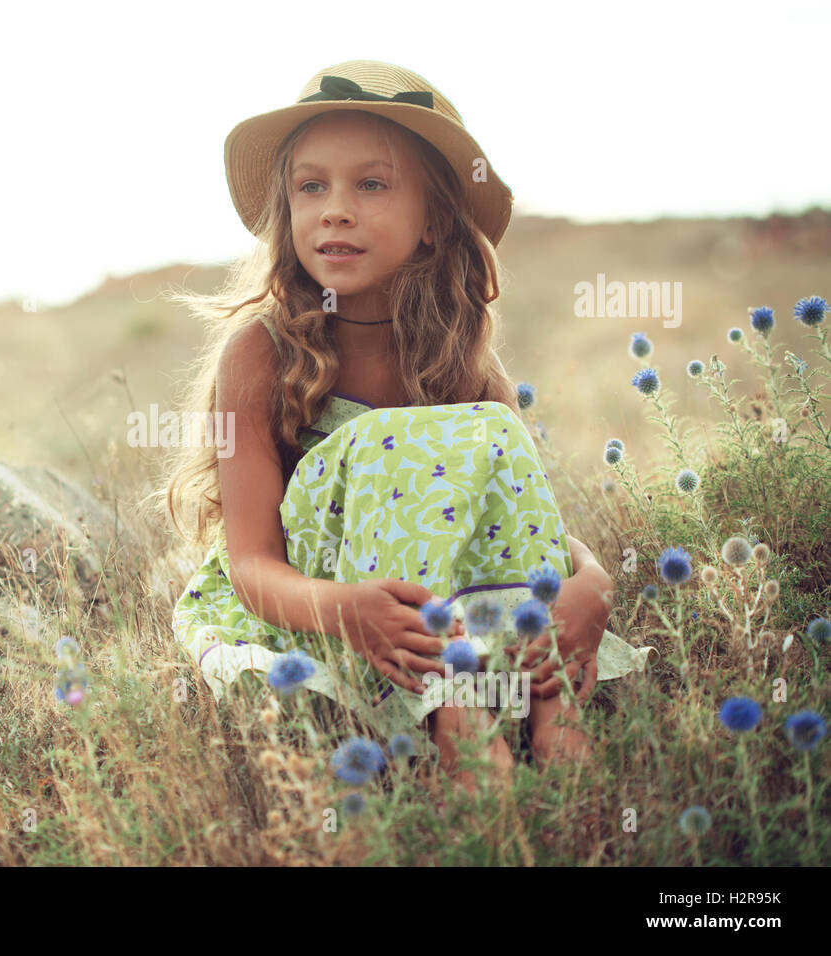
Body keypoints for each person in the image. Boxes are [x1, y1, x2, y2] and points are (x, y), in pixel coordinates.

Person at [157, 61, 652, 794]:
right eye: (311, 186)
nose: (335, 210)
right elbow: (253, 564)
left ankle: (556, 712)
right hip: (313, 603)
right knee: (386, 443)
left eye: (372, 184)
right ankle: (458, 722)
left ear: (433, 226)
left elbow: (516, 513)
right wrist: (342, 609)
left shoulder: (467, 369)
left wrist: (590, 580)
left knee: (489, 431)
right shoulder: (261, 353)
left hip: (434, 606)